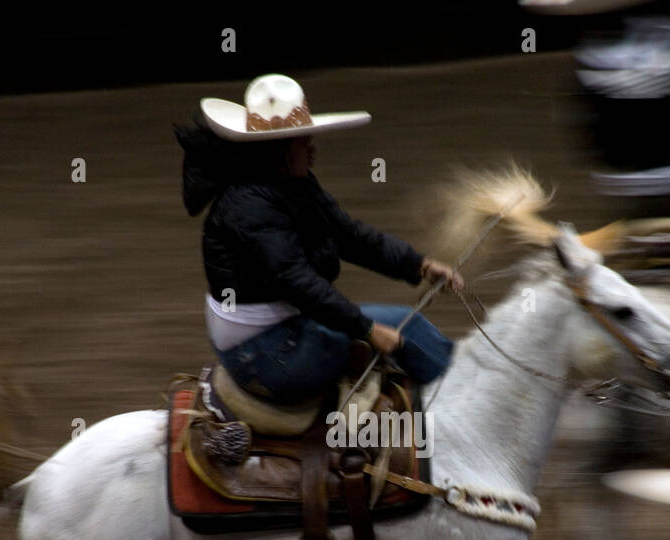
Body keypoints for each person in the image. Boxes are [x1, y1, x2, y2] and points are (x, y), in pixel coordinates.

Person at [176, 73, 462, 406]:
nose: (312, 148)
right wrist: (366, 329)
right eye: (303, 141)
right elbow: (297, 281)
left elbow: (348, 235)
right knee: (402, 333)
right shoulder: (249, 206)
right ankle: (463, 404)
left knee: (405, 327)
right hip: (262, 353)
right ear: (279, 149)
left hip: (273, 335)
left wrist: (418, 264)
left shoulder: (286, 185)